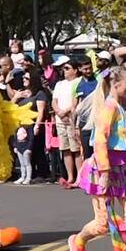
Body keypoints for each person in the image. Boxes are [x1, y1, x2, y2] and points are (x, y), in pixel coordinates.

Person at [67, 67, 126, 251]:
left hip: (125, 169)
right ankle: (79, 241)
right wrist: (104, 172)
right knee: (102, 223)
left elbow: (120, 139)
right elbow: (100, 140)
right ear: (117, 84)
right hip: (106, 170)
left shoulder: (120, 108)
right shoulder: (108, 107)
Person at [51, 56, 81, 187]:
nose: (65, 71)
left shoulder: (79, 82)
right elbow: (54, 101)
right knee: (65, 149)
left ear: (75, 70)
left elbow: (76, 102)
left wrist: (66, 111)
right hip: (60, 119)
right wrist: (58, 111)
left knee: (76, 148)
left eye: (67, 68)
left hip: (71, 119)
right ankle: (70, 176)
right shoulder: (59, 84)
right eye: (63, 69)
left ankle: (80, 176)